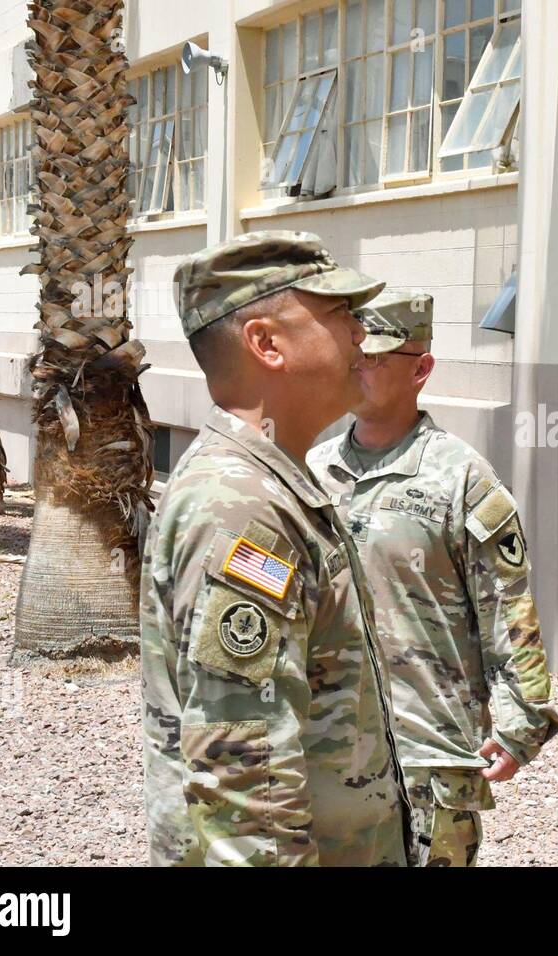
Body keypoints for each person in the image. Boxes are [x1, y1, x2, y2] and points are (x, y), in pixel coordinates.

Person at [140, 231, 412, 866]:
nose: (360, 334)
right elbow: (244, 777)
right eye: (340, 313)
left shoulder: (271, 481)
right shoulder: (242, 508)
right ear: (266, 343)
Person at [308, 289, 558, 867]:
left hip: (428, 751)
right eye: (354, 356)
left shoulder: (461, 477)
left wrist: (523, 719)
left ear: (421, 369)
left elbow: (507, 604)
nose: (359, 369)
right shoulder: (314, 473)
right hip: (326, 745)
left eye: (376, 358)